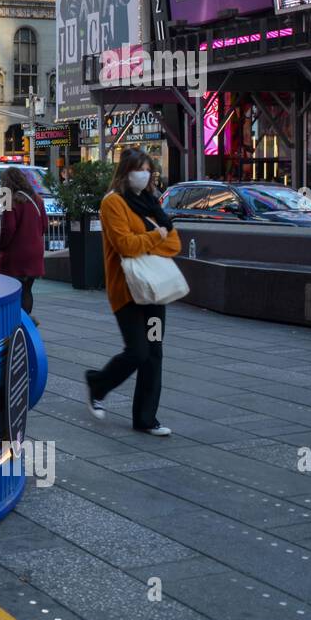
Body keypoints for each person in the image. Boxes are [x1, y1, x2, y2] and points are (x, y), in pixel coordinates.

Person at [85, 149, 183, 437]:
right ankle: (98, 383)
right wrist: (155, 237)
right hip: (127, 293)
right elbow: (125, 245)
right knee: (137, 351)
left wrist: (149, 240)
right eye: (139, 168)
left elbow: (174, 243)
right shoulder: (113, 203)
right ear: (126, 171)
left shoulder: (151, 203)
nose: (145, 174)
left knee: (154, 353)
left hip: (154, 292)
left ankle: (146, 417)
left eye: (148, 169)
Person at [0, 167, 48, 319]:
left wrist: (1, 246)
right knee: (27, 289)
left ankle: (13, 321)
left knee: (8, 288)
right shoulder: (37, 198)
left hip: (16, 253)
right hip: (34, 252)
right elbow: (44, 225)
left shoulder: (7, 197)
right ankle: (27, 320)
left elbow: (8, 227)